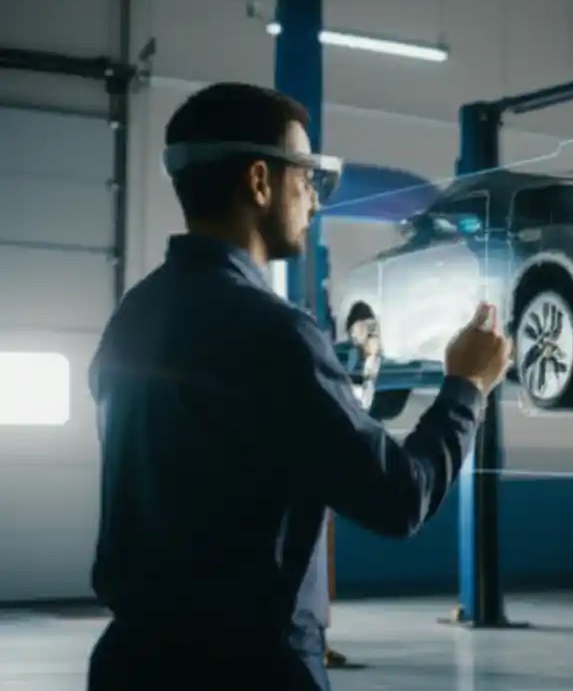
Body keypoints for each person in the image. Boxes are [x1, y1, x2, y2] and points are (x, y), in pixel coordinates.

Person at [85, 82, 512, 690]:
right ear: (260, 181)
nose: (314, 200)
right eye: (309, 176)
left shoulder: (134, 315)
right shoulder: (275, 332)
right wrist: (467, 386)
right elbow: (398, 498)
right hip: (249, 670)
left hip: (132, 665)